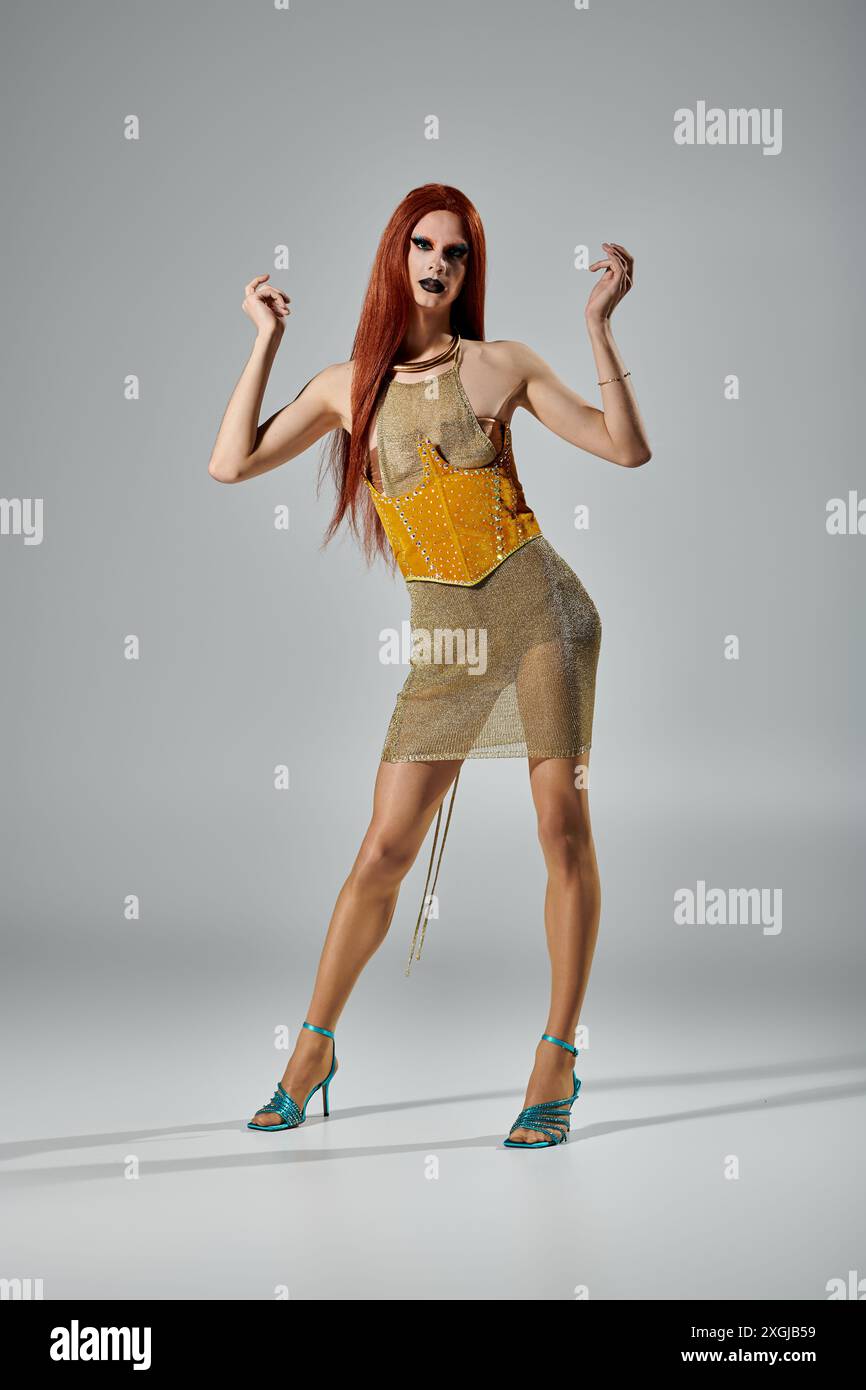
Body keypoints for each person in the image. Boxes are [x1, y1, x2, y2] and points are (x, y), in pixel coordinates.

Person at [208, 183, 651, 1147]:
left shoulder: (503, 365)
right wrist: (264, 341)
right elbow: (229, 464)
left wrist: (598, 325)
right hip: (445, 643)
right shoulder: (346, 386)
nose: (438, 264)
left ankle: (556, 1060)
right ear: (395, 255)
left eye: (456, 253)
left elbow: (627, 448)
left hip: (541, 616)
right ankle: (312, 1049)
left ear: (469, 270)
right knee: (382, 853)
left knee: (561, 830)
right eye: (423, 245)